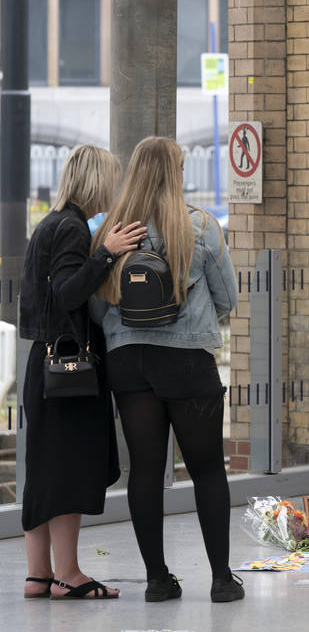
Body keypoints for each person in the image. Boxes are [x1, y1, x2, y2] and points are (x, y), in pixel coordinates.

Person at [89, 136, 240, 603]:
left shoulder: (112, 231)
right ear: (177, 173)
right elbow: (228, 299)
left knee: (146, 469)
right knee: (207, 469)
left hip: (129, 362)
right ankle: (221, 580)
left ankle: (157, 581)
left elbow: (97, 307)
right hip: (188, 361)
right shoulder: (200, 226)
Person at [18, 145, 145, 600]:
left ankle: (39, 574)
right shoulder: (72, 228)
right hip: (69, 371)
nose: (114, 189)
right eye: (110, 179)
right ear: (95, 181)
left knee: (45, 471)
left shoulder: (48, 225)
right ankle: (68, 575)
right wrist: (106, 254)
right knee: (68, 471)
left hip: (44, 364)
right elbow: (70, 293)